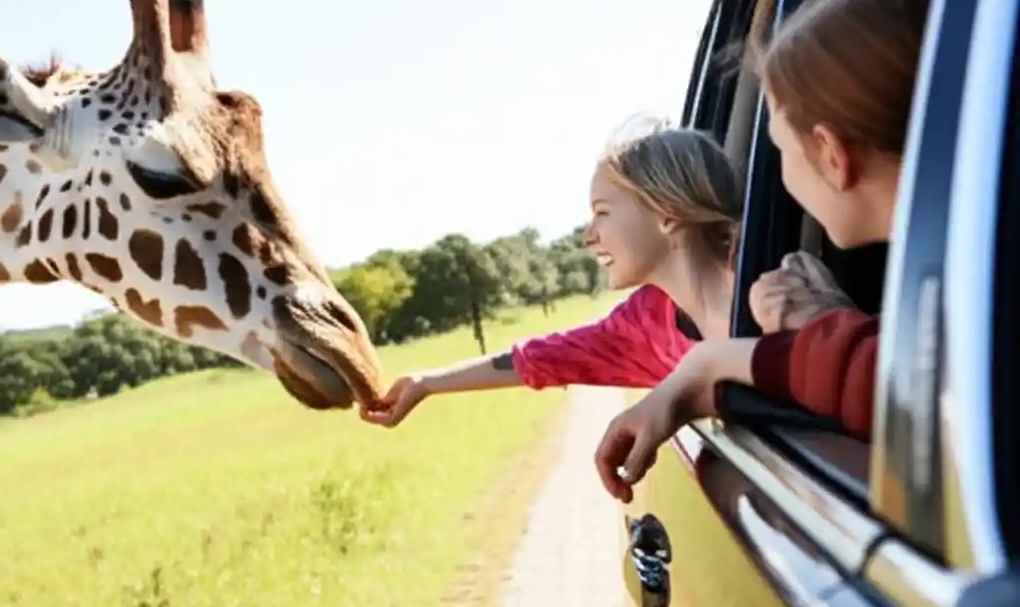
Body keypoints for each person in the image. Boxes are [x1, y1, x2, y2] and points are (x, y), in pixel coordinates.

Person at [593, 0, 933, 504]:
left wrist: (715, 361)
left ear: (831, 156)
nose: (776, 176)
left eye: (780, 148)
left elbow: (922, 397)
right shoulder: (971, 260)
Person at [361, 117, 848, 429]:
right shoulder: (645, 324)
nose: (588, 236)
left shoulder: (786, 292)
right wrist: (425, 382)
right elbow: (540, 358)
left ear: (666, 213)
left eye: (602, 212)